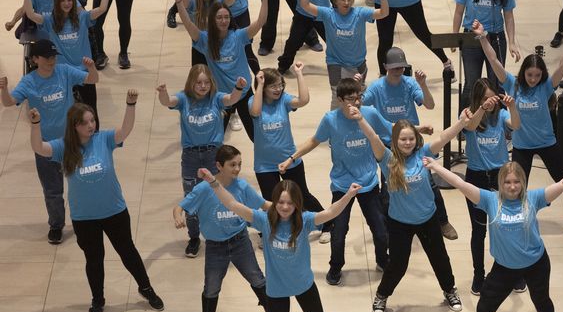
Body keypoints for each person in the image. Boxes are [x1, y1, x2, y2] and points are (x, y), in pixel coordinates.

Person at [204, 173, 361, 312]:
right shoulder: (264, 220)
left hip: (303, 285)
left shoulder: (305, 220)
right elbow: (232, 204)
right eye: (280, 202)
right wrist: (213, 182)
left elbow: (330, 213)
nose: (285, 206)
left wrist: (349, 195)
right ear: (274, 202)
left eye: (289, 202)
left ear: (297, 204)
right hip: (276, 290)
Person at [427, 158, 563, 312]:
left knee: (542, 301)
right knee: (484, 308)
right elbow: (461, 184)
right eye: (507, 182)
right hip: (504, 268)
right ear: (500, 184)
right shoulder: (489, 199)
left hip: (536, 263)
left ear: (523, 183)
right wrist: (436, 167)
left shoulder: (533, 198)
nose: (512, 186)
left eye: (517, 182)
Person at [30, 96, 163, 312]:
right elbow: (39, 148)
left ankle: (146, 288)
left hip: (114, 211)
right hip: (84, 218)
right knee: (94, 259)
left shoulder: (104, 139)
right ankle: (98, 299)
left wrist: (130, 105)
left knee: (127, 252)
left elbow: (126, 130)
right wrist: (36, 125)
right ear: (75, 126)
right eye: (86, 122)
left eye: (93, 120)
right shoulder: (63, 147)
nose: (91, 125)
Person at [356, 108, 472, 312]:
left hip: (427, 219)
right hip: (399, 222)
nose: (408, 143)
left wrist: (462, 122)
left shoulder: (424, 154)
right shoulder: (388, 159)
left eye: (411, 139)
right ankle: (382, 295)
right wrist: (361, 119)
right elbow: (373, 137)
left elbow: (444, 137)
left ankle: (449, 291)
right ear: (395, 140)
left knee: (439, 259)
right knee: (398, 265)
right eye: (403, 139)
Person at [279, 78, 391, 281]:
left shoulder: (370, 114)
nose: (356, 103)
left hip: (368, 183)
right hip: (342, 185)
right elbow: (314, 140)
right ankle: (336, 267)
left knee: (380, 229)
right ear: (339, 100)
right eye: (350, 99)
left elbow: (392, 129)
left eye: (359, 98)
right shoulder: (330, 119)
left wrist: (418, 132)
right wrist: (291, 158)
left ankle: (383, 261)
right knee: (338, 231)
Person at [0, 40, 98, 244]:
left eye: (54, 56)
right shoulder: (29, 82)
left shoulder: (64, 71)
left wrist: (91, 67)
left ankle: (86, 220)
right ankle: (56, 225)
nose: (52, 61)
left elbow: (92, 80)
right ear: (35, 59)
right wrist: (4, 89)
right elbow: (10, 102)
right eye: (47, 57)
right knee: (52, 190)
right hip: (45, 145)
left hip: (71, 141)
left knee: (83, 182)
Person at [174, 145, 268, 312]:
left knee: (256, 277)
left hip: (240, 241)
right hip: (215, 247)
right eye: (232, 164)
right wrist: (178, 215)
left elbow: (263, 205)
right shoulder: (203, 189)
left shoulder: (242, 187)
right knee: (211, 287)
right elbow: (180, 206)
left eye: (239, 164)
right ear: (219, 166)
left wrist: (287, 209)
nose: (237, 169)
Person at [363, 47, 459, 242]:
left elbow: (430, 104)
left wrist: (423, 84)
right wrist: (358, 87)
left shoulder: (410, 83)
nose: (398, 71)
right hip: (390, 146)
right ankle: (388, 228)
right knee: (387, 188)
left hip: (412, 142)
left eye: (401, 67)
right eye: (394, 67)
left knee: (429, 183)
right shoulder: (376, 87)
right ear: (385, 67)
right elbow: (360, 107)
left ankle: (442, 221)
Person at [157, 64, 247, 258]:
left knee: (219, 196)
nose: (203, 86)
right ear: (191, 83)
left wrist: (238, 87)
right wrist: (163, 92)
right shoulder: (183, 98)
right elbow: (167, 101)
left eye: (206, 82)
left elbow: (231, 99)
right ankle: (194, 238)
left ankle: (223, 233)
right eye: (199, 82)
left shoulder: (215, 98)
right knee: (192, 198)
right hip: (190, 156)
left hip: (214, 155)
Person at [173, 0, 272, 139]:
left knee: (257, 136)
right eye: (219, 17)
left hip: (245, 93)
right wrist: (178, 2)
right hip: (222, 98)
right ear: (212, 20)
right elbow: (189, 25)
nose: (224, 20)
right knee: (215, 139)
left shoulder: (239, 36)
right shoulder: (205, 40)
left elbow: (261, 21)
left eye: (226, 17)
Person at [477, 24, 563, 183]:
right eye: (530, 75)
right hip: (522, 146)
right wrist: (482, 37)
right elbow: (493, 60)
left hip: (547, 142)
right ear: (523, 72)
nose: (533, 79)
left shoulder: (546, 87)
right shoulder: (512, 84)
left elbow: (562, 65)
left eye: (537, 75)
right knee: (517, 188)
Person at [20, 0, 111, 119]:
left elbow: (102, 8)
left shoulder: (83, 17)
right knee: (66, 113)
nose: (67, 3)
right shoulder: (49, 20)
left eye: (69, 0)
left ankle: (93, 138)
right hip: (62, 74)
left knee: (90, 111)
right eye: (62, 0)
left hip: (83, 71)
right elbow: (30, 14)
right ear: (57, 2)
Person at [460, 80, 522, 293]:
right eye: (485, 98)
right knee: (479, 231)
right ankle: (479, 275)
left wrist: (512, 106)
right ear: (477, 99)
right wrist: (481, 109)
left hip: (501, 177)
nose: (490, 102)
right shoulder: (468, 113)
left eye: (492, 97)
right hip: (476, 178)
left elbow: (516, 125)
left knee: (506, 226)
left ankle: (512, 271)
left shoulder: (501, 115)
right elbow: (468, 127)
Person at [249, 66, 327, 216]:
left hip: (290, 159)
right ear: (264, 87)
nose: (278, 89)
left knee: (302, 197)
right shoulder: (253, 101)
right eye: (273, 86)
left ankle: (327, 224)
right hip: (264, 165)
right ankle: (273, 230)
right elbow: (256, 112)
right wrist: (259, 85)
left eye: (280, 85)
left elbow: (303, 100)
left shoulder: (283, 100)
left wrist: (299, 74)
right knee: (272, 201)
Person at [455, 0, 519, 96]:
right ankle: (468, 116)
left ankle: (498, 117)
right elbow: (458, 12)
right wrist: (455, 37)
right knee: (471, 83)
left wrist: (512, 42)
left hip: (495, 37)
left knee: (497, 82)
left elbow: (509, 17)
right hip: (471, 38)